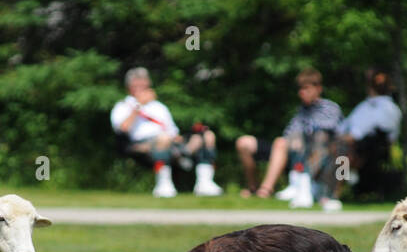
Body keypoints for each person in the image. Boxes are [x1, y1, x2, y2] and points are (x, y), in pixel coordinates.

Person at [236, 68, 343, 207]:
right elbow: (288, 133)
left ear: (318, 88)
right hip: (292, 152)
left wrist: (301, 136)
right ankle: (256, 188)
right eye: (300, 89)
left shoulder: (329, 108)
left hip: (320, 153)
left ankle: (270, 190)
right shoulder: (301, 111)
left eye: (306, 88)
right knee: (247, 142)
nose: (302, 93)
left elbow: (328, 131)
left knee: (290, 141)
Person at [109, 67, 222, 198]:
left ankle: (205, 183)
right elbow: (122, 129)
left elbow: (173, 131)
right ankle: (163, 185)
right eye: (137, 83)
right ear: (129, 86)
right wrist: (138, 106)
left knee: (207, 136)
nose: (141, 86)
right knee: (163, 138)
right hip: (140, 145)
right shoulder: (123, 106)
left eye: (144, 82)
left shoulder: (159, 107)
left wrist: (181, 140)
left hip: (170, 141)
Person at [320, 68, 403, 210]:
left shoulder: (386, 108)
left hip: (367, 151)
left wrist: (338, 141)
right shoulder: (366, 105)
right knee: (327, 145)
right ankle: (313, 187)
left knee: (342, 154)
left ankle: (334, 193)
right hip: (350, 145)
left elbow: (358, 135)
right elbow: (344, 128)